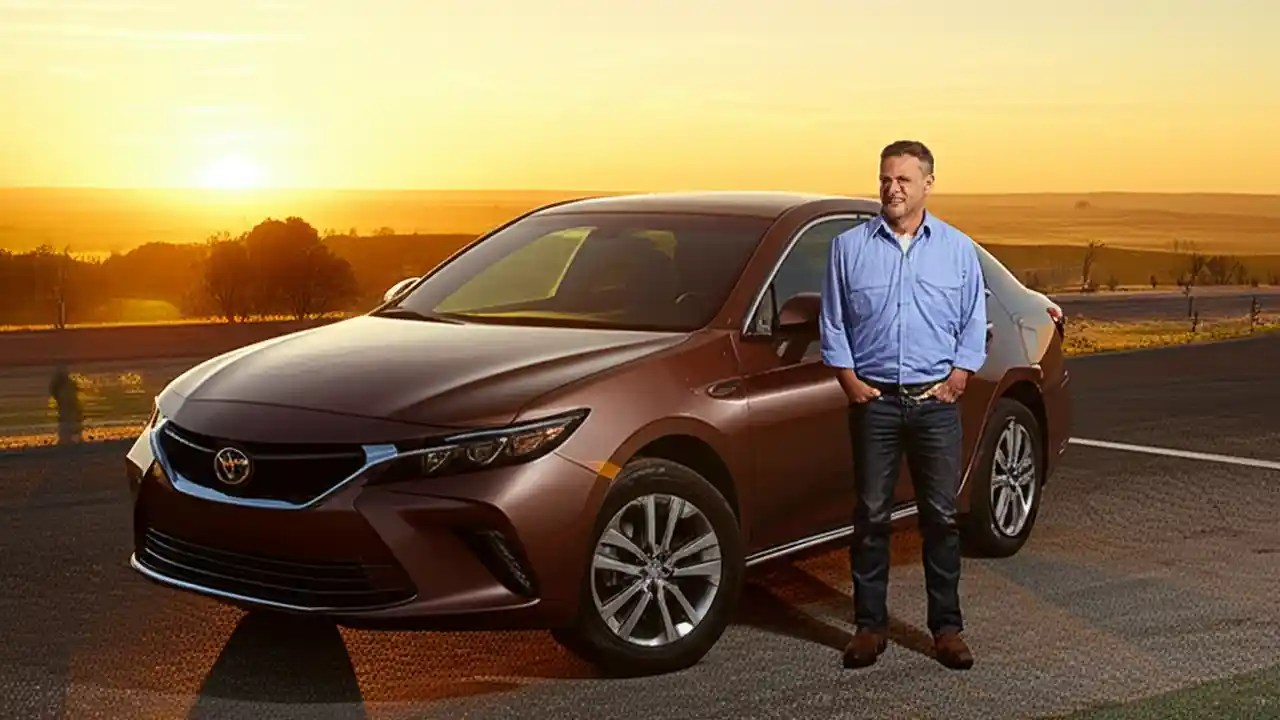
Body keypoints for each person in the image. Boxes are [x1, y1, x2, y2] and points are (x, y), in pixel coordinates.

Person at [819, 140, 987, 670]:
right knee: (871, 516)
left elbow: (973, 321)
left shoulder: (958, 249)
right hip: (875, 404)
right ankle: (870, 628)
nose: (892, 189)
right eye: (886, 179)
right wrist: (848, 379)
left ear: (927, 185)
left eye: (904, 180)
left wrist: (960, 375)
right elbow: (833, 321)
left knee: (941, 517)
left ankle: (947, 630)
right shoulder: (848, 249)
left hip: (935, 404)